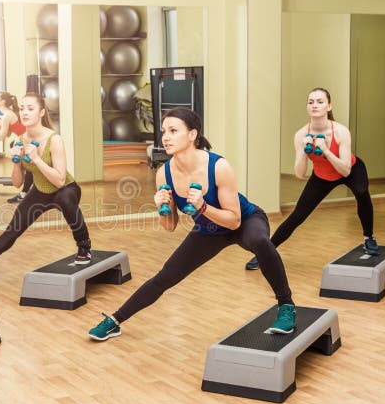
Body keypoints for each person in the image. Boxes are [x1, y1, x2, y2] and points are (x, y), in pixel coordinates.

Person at [88, 107, 296, 341]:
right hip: (208, 230)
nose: (165, 137)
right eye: (164, 131)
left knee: (260, 241)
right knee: (166, 276)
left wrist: (203, 207)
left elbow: (234, 220)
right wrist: (161, 207)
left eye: (173, 130)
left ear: (192, 134)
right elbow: (170, 226)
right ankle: (115, 320)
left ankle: (286, 306)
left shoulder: (218, 167)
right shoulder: (163, 174)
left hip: (245, 221)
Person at [0, 92, 92, 279]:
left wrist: (36, 158)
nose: (24, 113)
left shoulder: (55, 140)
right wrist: (15, 162)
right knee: (13, 230)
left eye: (30, 108)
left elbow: (60, 180)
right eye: (22, 109)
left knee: (65, 198)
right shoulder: (19, 141)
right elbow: (17, 183)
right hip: (40, 192)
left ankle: (84, 245)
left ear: (41, 112)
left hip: (65, 188)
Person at [245, 87, 379, 271]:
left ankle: (369, 238)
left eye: (320, 101)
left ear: (329, 106)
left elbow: (346, 170)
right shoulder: (301, 135)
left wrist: (324, 150)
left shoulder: (340, 132)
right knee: (297, 215)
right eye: (311, 102)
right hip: (322, 176)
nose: (314, 105)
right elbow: (300, 174)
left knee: (362, 193)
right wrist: (302, 152)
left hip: (350, 169)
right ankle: (265, 253)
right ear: (307, 107)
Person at [0, 92, 34, 204]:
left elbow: (1, 137)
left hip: (26, 141)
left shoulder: (6, 116)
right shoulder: (8, 114)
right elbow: (9, 134)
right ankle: (25, 192)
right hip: (23, 140)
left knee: (28, 168)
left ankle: (25, 193)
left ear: (3, 102)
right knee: (27, 167)